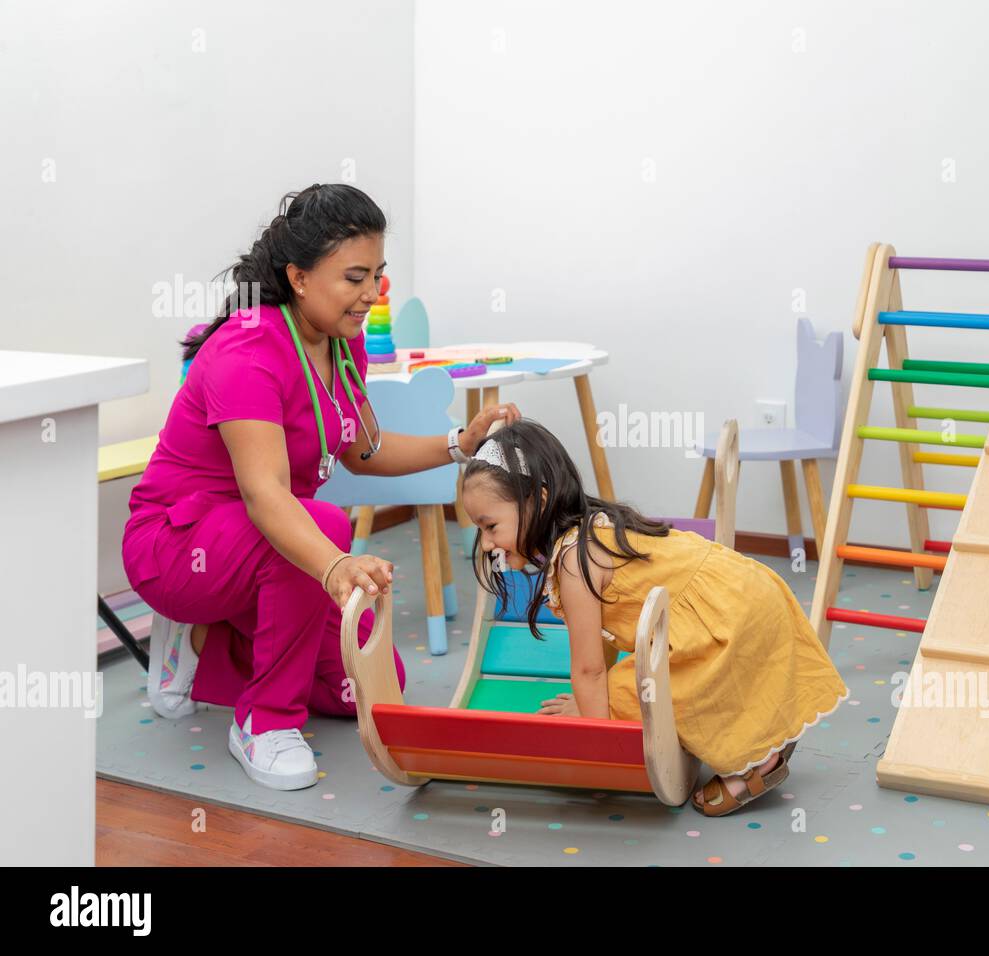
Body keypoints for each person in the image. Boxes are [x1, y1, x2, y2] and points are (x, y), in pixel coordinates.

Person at [121, 184, 519, 790]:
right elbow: (266, 496)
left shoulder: (341, 340)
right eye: (355, 276)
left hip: (267, 543)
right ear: (299, 277)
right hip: (178, 545)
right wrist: (333, 567)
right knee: (323, 525)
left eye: (378, 275)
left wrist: (458, 443)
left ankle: (203, 654)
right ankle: (263, 722)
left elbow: (364, 449)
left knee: (363, 686)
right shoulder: (247, 348)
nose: (372, 294)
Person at [459, 419, 848, 816]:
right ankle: (765, 734)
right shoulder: (591, 527)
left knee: (637, 692)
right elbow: (603, 644)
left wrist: (597, 747)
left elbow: (590, 670)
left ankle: (758, 761)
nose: (487, 543)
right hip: (745, 592)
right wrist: (594, 698)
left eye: (490, 526)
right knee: (625, 685)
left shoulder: (575, 559)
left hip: (732, 618)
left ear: (539, 501)